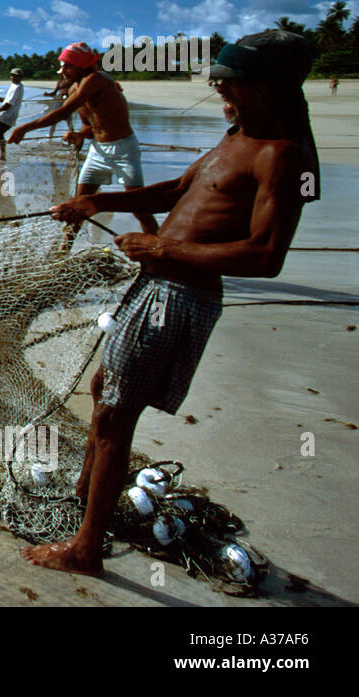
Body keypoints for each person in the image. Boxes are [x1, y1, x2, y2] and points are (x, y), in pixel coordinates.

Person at [21, 29, 319, 578]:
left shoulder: (281, 154)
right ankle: (86, 495)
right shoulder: (237, 137)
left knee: (114, 414)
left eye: (231, 87)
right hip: (154, 286)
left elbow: (266, 255)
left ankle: (85, 550)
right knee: (103, 392)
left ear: (269, 89)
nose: (222, 97)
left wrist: (161, 245)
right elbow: (175, 191)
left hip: (179, 297)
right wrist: (96, 200)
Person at [8, 43, 159, 237]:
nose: (62, 72)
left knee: (139, 208)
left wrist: (24, 128)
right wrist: (79, 135)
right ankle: (64, 250)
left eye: (66, 66)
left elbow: (64, 111)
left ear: (80, 65)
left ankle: (157, 251)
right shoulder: (73, 89)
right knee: (78, 206)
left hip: (123, 150)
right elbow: (89, 126)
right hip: (97, 151)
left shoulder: (97, 79)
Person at [0, 68, 25, 162]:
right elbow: (8, 99)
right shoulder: (14, 86)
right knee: (0, 135)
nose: (13, 77)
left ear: (20, 77)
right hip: (8, 114)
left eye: (15, 76)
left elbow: (8, 104)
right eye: (12, 75)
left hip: (9, 115)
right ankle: (2, 156)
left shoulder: (18, 87)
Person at [43, 75, 78, 142]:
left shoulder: (71, 81)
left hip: (67, 102)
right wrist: (47, 94)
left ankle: (73, 139)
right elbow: (54, 93)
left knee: (69, 121)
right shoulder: (59, 81)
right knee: (53, 121)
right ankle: (50, 138)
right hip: (58, 102)